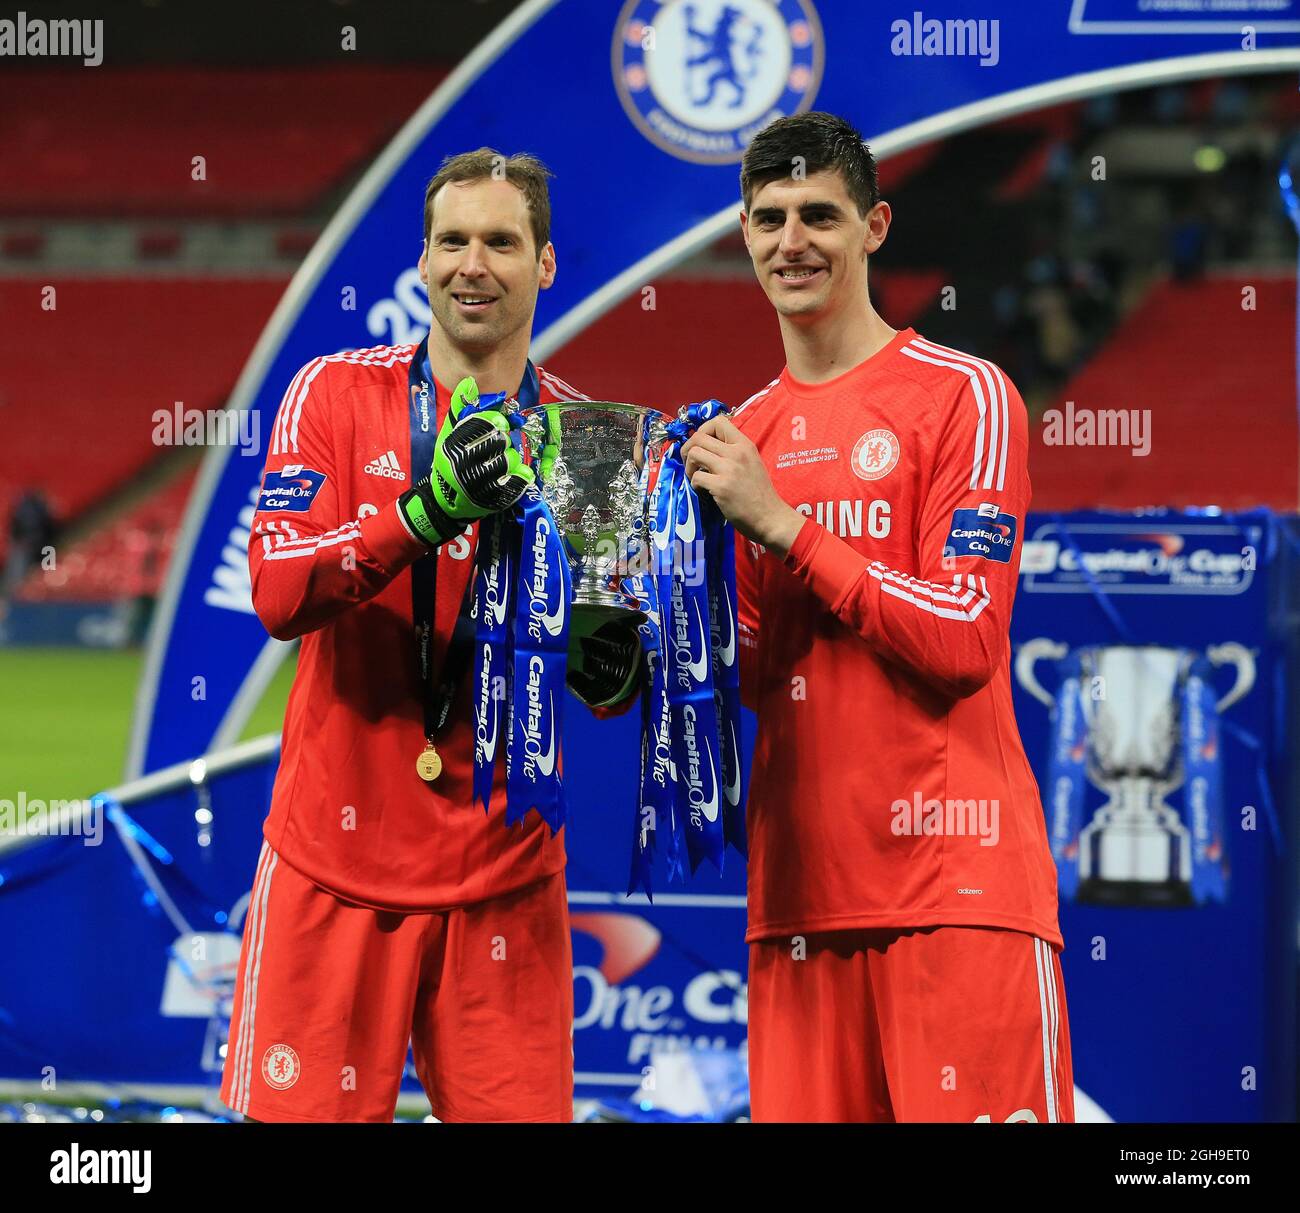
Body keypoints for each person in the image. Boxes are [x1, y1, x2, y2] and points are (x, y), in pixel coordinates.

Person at [681, 112, 1073, 1123]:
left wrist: (784, 524)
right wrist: (649, 628)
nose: (791, 241)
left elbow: (964, 638)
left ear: (874, 228)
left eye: (820, 214)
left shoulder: (964, 396)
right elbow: (756, 671)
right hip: (802, 910)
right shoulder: (744, 437)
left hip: (956, 898)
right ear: (744, 232)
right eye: (768, 218)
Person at [220, 148, 620, 1124]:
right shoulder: (332, 393)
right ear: (422, 261)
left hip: (503, 880)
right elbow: (277, 592)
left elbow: (608, 680)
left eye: (500, 241)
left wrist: (617, 663)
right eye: (451, 241)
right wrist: (421, 511)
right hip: (334, 870)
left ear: (547, 264)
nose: (471, 264)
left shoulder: (592, 442)